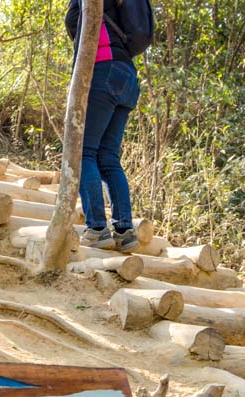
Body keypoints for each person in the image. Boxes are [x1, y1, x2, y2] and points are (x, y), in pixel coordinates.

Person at [65, 0, 141, 252]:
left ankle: (97, 228)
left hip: (104, 68)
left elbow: (73, 22)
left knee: (85, 152)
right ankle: (124, 230)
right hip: (127, 74)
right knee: (108, 157)